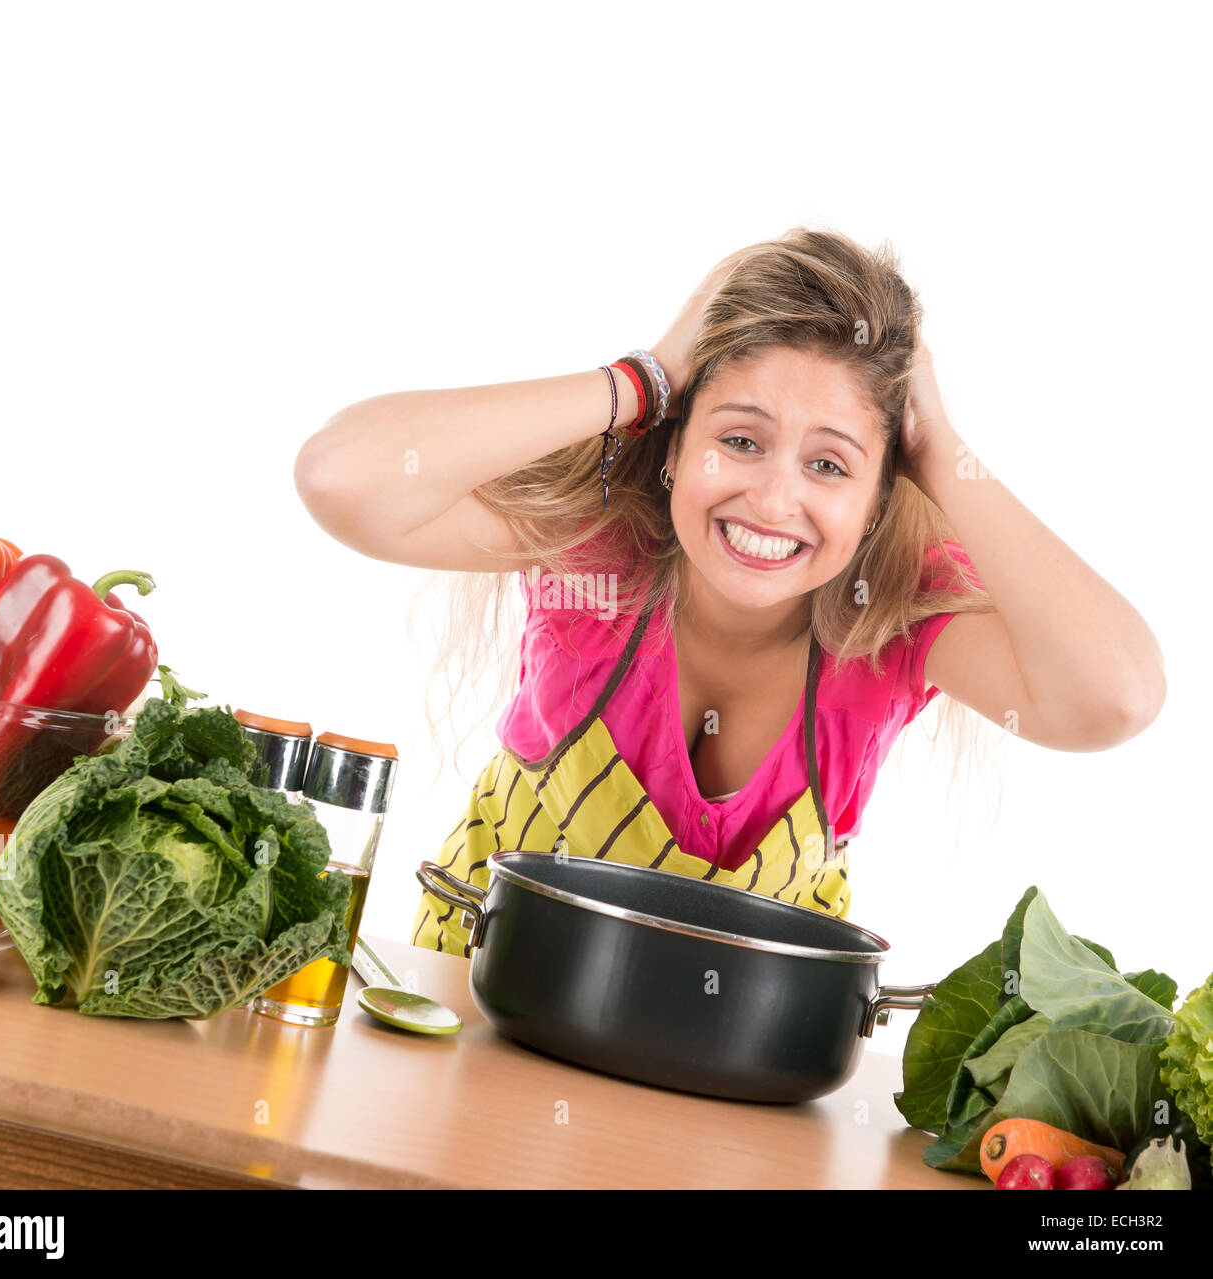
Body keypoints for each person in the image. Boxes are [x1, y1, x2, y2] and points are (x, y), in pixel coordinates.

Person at [294, 228, 1167, 957]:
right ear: (672, 442)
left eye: (829, 464)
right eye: (741, 440)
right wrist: (643, 376)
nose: (773, 500)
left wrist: (939, 450)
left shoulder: (890, 621)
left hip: (731, 1078)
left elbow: (1117, 696)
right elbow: (341, 476)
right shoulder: (598, 543)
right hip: (483, 1023)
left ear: (875, 503)